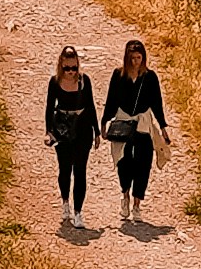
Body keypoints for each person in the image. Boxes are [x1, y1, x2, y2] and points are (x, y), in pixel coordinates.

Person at [102, 37, 171, 224]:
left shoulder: (150, 77)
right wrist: (104, 123)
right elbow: (111, 99)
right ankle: (125, 195)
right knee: (124, 161)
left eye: (138, 58)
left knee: (143, 163)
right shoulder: (119, 75)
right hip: (123, 120)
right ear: (127, 58)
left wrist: (163, 128)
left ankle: (137, 204)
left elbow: (157, 104)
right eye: (132, 58)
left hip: (142, 123)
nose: (135, 62)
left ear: (143, 58)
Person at [45, 46, 97, 225]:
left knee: (80, 171)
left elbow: (91, 105)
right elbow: (49, 108)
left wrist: (96, 131)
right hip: (63, 129)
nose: (70, 72)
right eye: (67, 68)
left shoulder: (84, 81)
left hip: (82, 128)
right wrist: (49, 131)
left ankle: (78, 212)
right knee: (65, 169)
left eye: (74, 68)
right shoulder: (54, 82)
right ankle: (65, 201)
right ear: (61, 66)